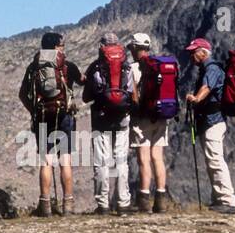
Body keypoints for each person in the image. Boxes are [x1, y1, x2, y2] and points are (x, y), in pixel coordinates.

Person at [18, 31, 83, 217]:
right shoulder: (67, 66)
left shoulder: (34, 67)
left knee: (46, 161)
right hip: (64, 116)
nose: (63, 48)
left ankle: (45, 205)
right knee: (65, 160)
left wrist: (34, 111)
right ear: (56, 47)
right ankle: (68, 205)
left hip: (42, 116)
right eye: (61, 46)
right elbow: (82, 80)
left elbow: (22, 94)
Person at [185, 37, 235, 214]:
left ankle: (227, 200)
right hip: (210, 121)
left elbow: (207, 87)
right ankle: (219, 199)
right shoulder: (206, 69)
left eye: (194, 52)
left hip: (213, 121)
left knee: (215, 159)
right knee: (212, 160)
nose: (191, 55)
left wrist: (196, 98)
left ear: (203, 52)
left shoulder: (212, 68)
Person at [82, 32, 134, 214]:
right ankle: (123, 203)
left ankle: (103, 205)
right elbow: (132, 94)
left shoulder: (95, 68)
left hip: (101, 118)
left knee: (101, 161)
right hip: (122, 118)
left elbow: (86, 97)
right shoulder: (126, 68)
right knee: (121, 160)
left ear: (101, 47)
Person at [128, 32, 170, 213]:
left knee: (143, 159)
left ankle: (144, 200)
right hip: (161, 116)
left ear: (135, 49)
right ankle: (161, 200)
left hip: (142, 119)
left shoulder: (132, 69)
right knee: (158, 158)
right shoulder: (160, 66)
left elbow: (133, 95)